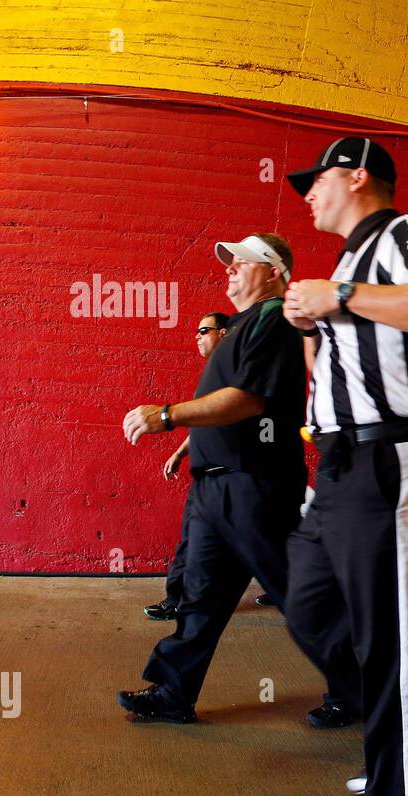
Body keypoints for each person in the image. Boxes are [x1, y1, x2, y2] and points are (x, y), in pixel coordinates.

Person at [281, 137, 408, 796]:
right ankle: (407, 739)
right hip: (338, 465)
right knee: (303, 593)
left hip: (391, 458)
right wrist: (311, 321)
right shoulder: (347, 263)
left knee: (393, 634)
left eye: (317, 179)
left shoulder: (401, 234)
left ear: (359, 175)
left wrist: (336, 295)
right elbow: (341, 371)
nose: (307, 191)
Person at [117, 233, 308, 724]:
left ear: (274, 271)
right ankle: (172, 694)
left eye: (241, 262)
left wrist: (167, 414)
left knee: (302, 596)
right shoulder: (240, 327)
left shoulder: (274, 320)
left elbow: (248, 399)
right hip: (214, 489)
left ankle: (365, 692)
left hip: (255, 484)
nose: (229, 268)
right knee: (199, 597)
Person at [143, 311, 231, 623]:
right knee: (191, 541)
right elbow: (202, 424)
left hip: (234, 478)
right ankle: (176, 600)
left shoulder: (235, 370)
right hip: (208, 478)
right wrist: (180, 454)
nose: (197, 335)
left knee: (257, 544)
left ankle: (287, 593)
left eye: (204, 330)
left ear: (224, 333)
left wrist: (165, 418)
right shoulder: (213, 375)